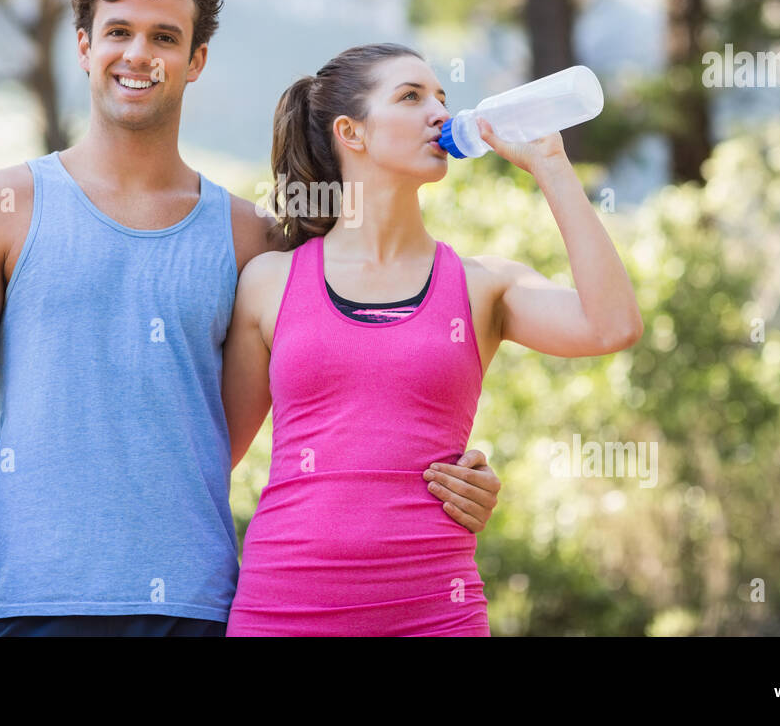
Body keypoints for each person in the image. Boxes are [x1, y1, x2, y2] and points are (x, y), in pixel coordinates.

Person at [0, 0, 502, 637]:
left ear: (196, 61)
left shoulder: (254, 240)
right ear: (83, 46)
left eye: (165, 37)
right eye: (118, 32)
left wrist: (451, 483)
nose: (138, 54)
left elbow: (346, 391)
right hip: (29, 600)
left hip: (197, 607)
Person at [215, 43, 644, 635]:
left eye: (442, 97)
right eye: (411, 97)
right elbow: (215, 454)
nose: (439, 113)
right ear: (352, 132)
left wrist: (551, 162)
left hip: (437, 612)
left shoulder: (482, 285)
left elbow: (613, 325)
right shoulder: (271, 282)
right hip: (285, 608)